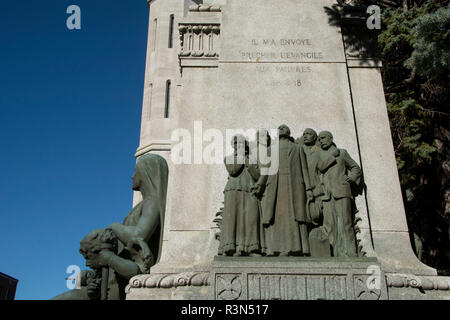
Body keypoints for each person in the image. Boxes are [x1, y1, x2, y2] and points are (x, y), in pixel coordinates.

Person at [52, 153, 168, 300]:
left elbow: (138, 236)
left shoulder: (152, 202)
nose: (132, 176)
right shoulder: (143, 205)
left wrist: (114, 226)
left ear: (146, 174)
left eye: (135, 172)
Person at [261, 125, 311, 256]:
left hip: (294, 186)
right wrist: (260, 185)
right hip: (276, 187)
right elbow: (265, 170)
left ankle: (297, 248)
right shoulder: (271, 150)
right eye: (280, 128)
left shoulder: (298, 148)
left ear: (289, 132)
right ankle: (275, 248)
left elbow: (304, 170)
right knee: (277, 217)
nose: (282, 128)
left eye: (284, 128)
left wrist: (309, 189)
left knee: (295, 217)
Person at [317, 131, 362, 257]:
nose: (321, 141)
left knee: (346, 223)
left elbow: (355, 167)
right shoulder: (322, 155)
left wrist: (352, 178)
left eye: (324, 138)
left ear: (331, 138)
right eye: (319, 139)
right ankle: (333, 253)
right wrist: (332, 155)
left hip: (342, 192)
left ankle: (351, 253)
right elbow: (320, 167)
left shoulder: (342, 153)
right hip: (327, 195)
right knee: (329, 226)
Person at [218, 135, 262, 256]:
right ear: (234, 146)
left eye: (242, 143)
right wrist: (242, 157)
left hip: (249, 191)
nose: (240, 145)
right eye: (237, 143)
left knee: (251, 220)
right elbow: (233, 170)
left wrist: (249, 163)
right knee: (234, 219)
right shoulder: (228, 158)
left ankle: (251, 248)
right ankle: (232, 248)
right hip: (234, 191)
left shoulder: (252, 159)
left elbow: (257, 176)